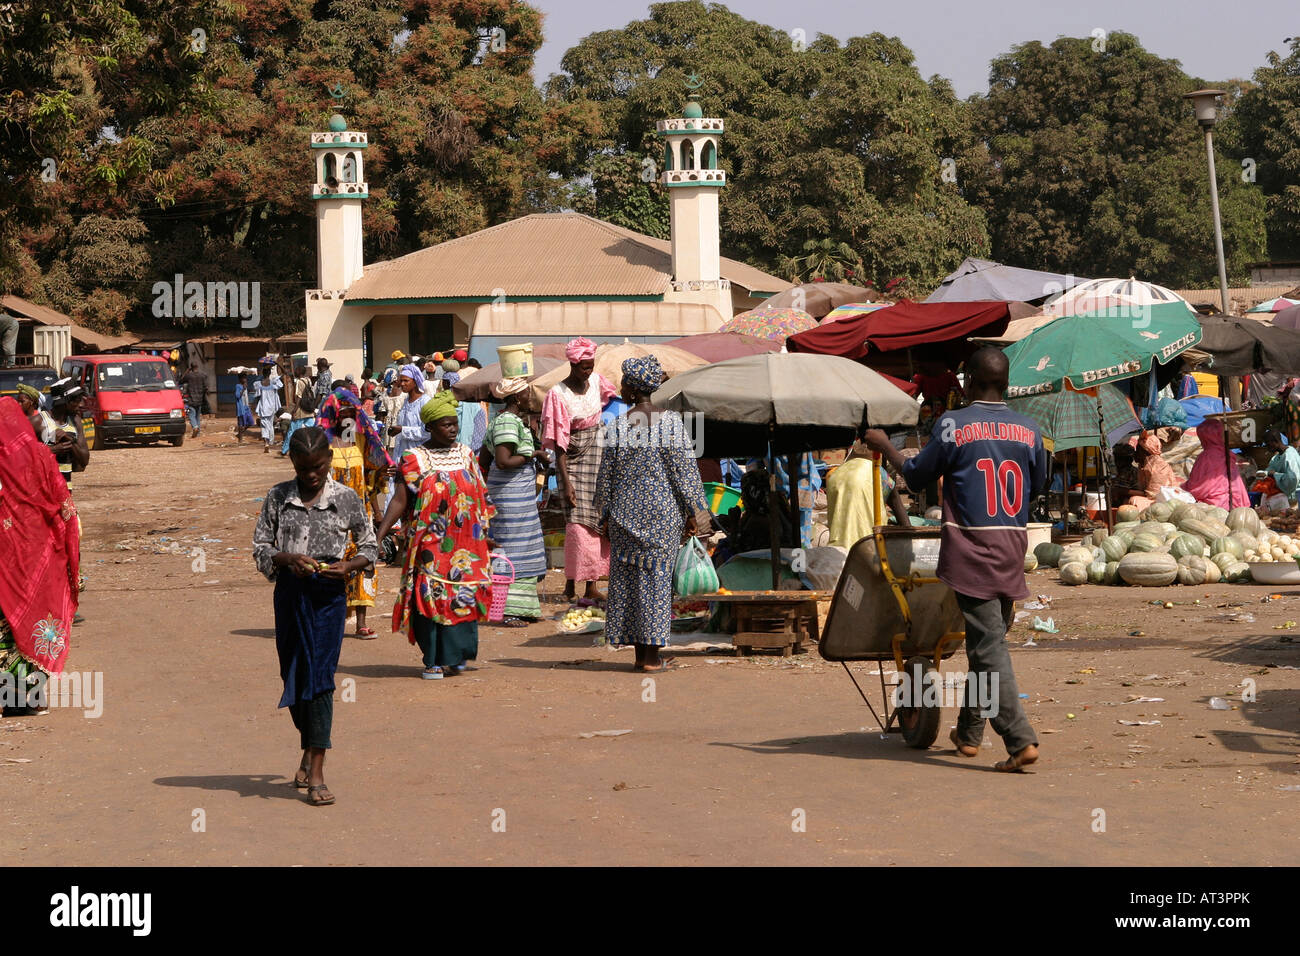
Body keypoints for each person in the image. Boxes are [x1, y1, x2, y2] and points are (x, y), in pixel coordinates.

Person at [864, 346, 1048, 773]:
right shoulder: (1029, 428)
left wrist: (884, 446)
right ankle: (968, 734)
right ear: (1006, 384)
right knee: (988, 642)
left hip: (971, 550)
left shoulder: (952, 424)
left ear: (966, 382)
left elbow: (913, 476)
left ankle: (1019, 740)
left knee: (989, 645)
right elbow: (1036, 486)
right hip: (1011, 546)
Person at [252, 426, 377, 807]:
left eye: (319, 467)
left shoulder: (347, 498)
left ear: (330, 462)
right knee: (292, 675)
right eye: (304, 468)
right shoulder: (277, 497)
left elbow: (371, 544)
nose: (311, 475)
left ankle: (318, 771)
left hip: (328, 597)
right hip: (290, 594)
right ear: (292, 462)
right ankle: (308, 744)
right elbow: (261, 547)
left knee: (320, 679)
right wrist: (287, 560)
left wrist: (351, 565)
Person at [595, 356, 709, 672]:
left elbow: (606, 477)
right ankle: (650, 659)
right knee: (656, 586)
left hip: (623, 518)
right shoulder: (672, 424)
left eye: (623, 382)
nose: (620, 387)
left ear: (631, 389)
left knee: (629, 584)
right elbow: (685, 472)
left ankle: (640, 657)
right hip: (662, 519)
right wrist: (694, 513)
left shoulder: (618, 425)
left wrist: (603, 516)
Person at [377, 391, 496, 680]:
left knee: (464, 594)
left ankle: (455, 657)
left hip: (468, 543)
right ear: (429, 427)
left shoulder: (466, 454)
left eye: (454, 423)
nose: (453, 429)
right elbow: (400, 501)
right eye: (445, 424)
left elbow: (481, 496)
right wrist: (379, 534)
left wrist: (487, 533)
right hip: (431, 543)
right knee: (432, 596)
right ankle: (432, 659)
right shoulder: (414, 459)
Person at [0, 395, 80, 715]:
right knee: (34, 618)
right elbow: (63, 507)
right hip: (38, 555)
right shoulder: (40, 456)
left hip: (5, 559)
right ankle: (26, 698)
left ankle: (8, 697)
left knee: (6, 625)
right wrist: (66, 549)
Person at [541, 337, 616, 603]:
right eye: (584, 367)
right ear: (573, 364)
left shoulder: (596, 381)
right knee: (576, 525)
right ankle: (572, 583)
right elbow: (559, 442)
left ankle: (591, 584)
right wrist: (565, 481)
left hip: (597, 455)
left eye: (591, 366)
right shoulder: (557, 394)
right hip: (570, 462)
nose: (588, 371)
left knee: (597, 521)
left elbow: (612, 398)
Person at [318, 387, 395, 638]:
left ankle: (361, 622)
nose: (348, 418)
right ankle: (333, 619)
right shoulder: (324, 443)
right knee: (334, 567)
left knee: (365, 564)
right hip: (331, 519)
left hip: (360, 517)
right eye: (343, 414)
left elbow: (372, 476)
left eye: (352, 413)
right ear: (334, 415)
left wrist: (378, 511)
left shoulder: (362, 441)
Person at [482, 378, 549, 623]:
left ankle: (522, 607)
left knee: (519, 546)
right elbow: (502, 460)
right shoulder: (508, 421)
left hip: (510, 493)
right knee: (513, 547)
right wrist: (534, 454)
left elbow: (484, 458)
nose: (529, 397)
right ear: (515, 398)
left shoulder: (501, 421)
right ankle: (508, 610)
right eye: (525, 393)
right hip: (511, 496)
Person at [826, 432, 911, 548]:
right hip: (868, 547)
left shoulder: (835, 474)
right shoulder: (878, 474)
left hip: (837, 547)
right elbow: (903, 518)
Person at [1184, 418, 1250, 510]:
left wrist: (1183, 487)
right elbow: (1236, 485)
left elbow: (1195, 487)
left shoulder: (1205, 457)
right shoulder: (1227, 454)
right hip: (1231, 505)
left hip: (1210, 507)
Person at [1121, 433, 1183, 509]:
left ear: (1146, 452)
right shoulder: (1144, 466)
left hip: (1165, 501)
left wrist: (1125, 491)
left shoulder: (1159, 466)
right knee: (1126, 501)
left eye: (1138, 450)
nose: (1135, 453)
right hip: (1153, 499)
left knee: (1135, 501)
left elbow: (1153, 495)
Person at [47, 381, 90, 483]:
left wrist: (69, 439)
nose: (81, 405)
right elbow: (23, 455)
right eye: (77, 400)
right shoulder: (40, 421)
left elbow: (84, 460)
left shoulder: (75, 421)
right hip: (44, 492)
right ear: (64, 402)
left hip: (66, 490)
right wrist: (52, 450)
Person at [388, 364, 431, 462]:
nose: (402, 384)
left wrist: (402, 430)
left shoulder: (425, 402)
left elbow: (427, 433)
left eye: (406, 381)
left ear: (415, 382)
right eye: (401, 380)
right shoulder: (406, 401)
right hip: (402, 454)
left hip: (418, 456)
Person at [1262, 428, 1300, 510]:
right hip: (1284, 497)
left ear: (1275, 441)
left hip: (1294, 499)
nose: (1267, 448)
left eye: (1268, 444)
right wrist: (1264, 474)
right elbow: (1270, 469)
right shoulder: (1277, 457)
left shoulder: (1290, 455)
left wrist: (1274, 475)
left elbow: (1292, 479)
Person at [253, 363, 283, 453]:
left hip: (263, 407)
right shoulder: (274, 382)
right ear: (270, 373)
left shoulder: (259, 384)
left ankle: (266, 443)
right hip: (272, 407)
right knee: (270, 425)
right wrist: (278, 364)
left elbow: (257, 396)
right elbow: (285, 373)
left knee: (264, 426)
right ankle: (269, 442)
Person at [181, 362, 206, 437]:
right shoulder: (202, 375)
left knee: (191, 415)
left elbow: (181, 380)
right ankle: (198, 433)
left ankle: (195, 427)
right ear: (197, 367)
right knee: (197, 416)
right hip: (200, 399)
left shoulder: (189, 376)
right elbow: (205, 387)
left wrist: (187, 371)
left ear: (191, 368)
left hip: (191, 399)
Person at [233, 372, 255, 443]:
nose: (245, 379)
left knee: (251, 422)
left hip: (246, 407)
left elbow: (246, 397)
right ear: (240, 379)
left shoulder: (245, 386)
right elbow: (237, 396)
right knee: (241, 424)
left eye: (246, 378)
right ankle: (240, 438)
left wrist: (248, 405)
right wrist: (243, 389)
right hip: (241, 408)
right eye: (244, 378)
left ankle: (240, 434)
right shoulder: (238, 386)